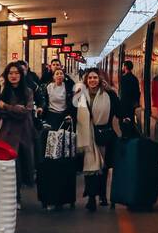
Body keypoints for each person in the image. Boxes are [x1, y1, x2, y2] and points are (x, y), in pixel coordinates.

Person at [74, 68, 119, 212]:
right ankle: (92, 198)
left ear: (99, 79)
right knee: (90, 169)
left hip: (104, 134)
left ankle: (103, 195)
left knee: (103, 168)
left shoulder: (109, 95)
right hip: (87, 136)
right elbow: (72, 110)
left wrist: (125, 118)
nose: (92, 80)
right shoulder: (81, 96)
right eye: (90, 78)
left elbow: (118, 110)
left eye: (95, 78)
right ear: (86, 80)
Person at [0, 61, 36, 190]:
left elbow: (26, 111)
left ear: (22, 75)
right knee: (8, 165)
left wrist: (6, 107)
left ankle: (18, 195)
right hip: (6, 131)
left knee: (23, 165)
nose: (13, 76)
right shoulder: (0, 90)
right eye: (10, 73)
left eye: (17, 73)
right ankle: (10, 195)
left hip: (24, 131)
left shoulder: (27, 91)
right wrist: (15, 111)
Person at [42, 63, 77, 130]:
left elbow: (71, 102)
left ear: (64, 76)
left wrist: (70, 114)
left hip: (63, 116)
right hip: (51, 115)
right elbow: (45, 101)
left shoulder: (67, 87)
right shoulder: (49, 87)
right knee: (51, 136)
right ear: (53, 77)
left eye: (61, 74)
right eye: (57, 74)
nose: (59, 75)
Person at [119, 60, 141, 126]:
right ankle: (130, 130)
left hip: (125, 104)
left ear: (125, 67)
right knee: (131, 118)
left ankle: (126, 133)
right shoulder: (135, 78)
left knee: (124, 120)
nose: (122, 67)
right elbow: (137, 91)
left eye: (123, 66)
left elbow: (123, 92)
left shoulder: (123, 78)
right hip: (132, 104)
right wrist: (136, 101)